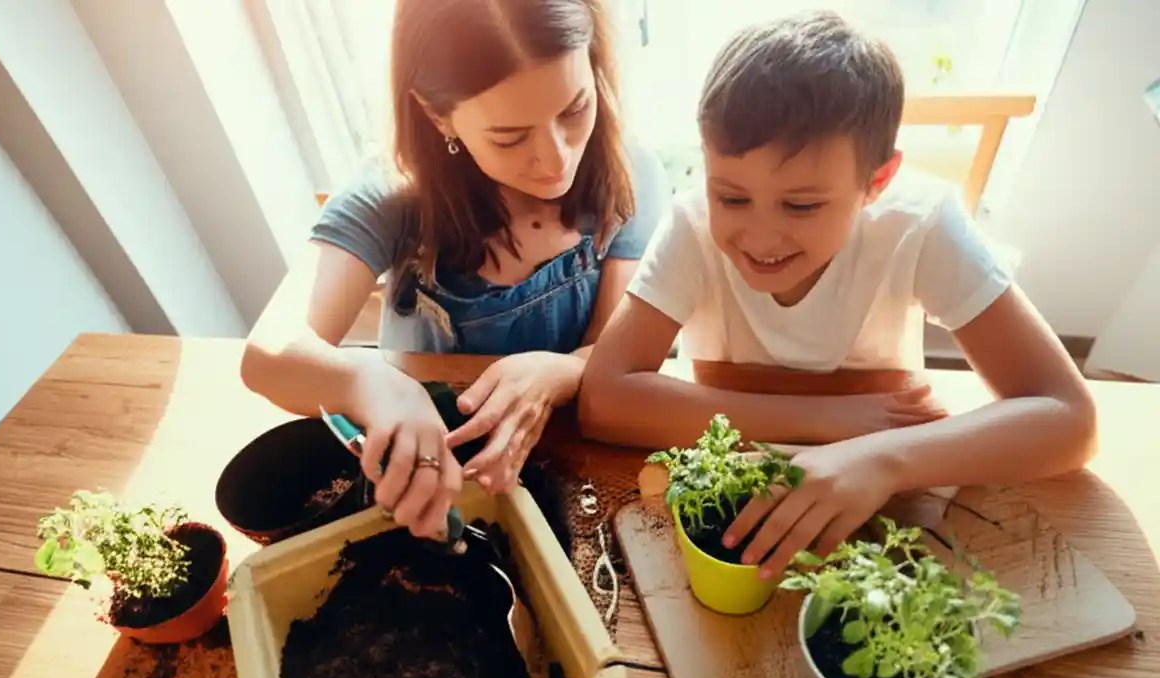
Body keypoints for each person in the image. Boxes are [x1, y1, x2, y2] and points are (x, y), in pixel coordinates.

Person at [580, 11, 1097, 578]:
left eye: (802, 205)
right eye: (731, 197)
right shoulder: (692, 224)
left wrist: (881, 457)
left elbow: (1070, 419)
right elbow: (605, 400)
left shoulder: (919, 224)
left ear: (877, 181)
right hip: (740, 502)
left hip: (886, 519)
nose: (760, 236)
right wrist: (835, 420)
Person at [242, 0, 668, 541]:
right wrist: (374, 384)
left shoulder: (630, 176)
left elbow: (616, 356)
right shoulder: (395, 194)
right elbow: (266, 355)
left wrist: (555, 373)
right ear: (437, 114)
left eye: (575, 108)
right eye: (511, 137)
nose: (557, 157)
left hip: (570, 464)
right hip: (433, 476)